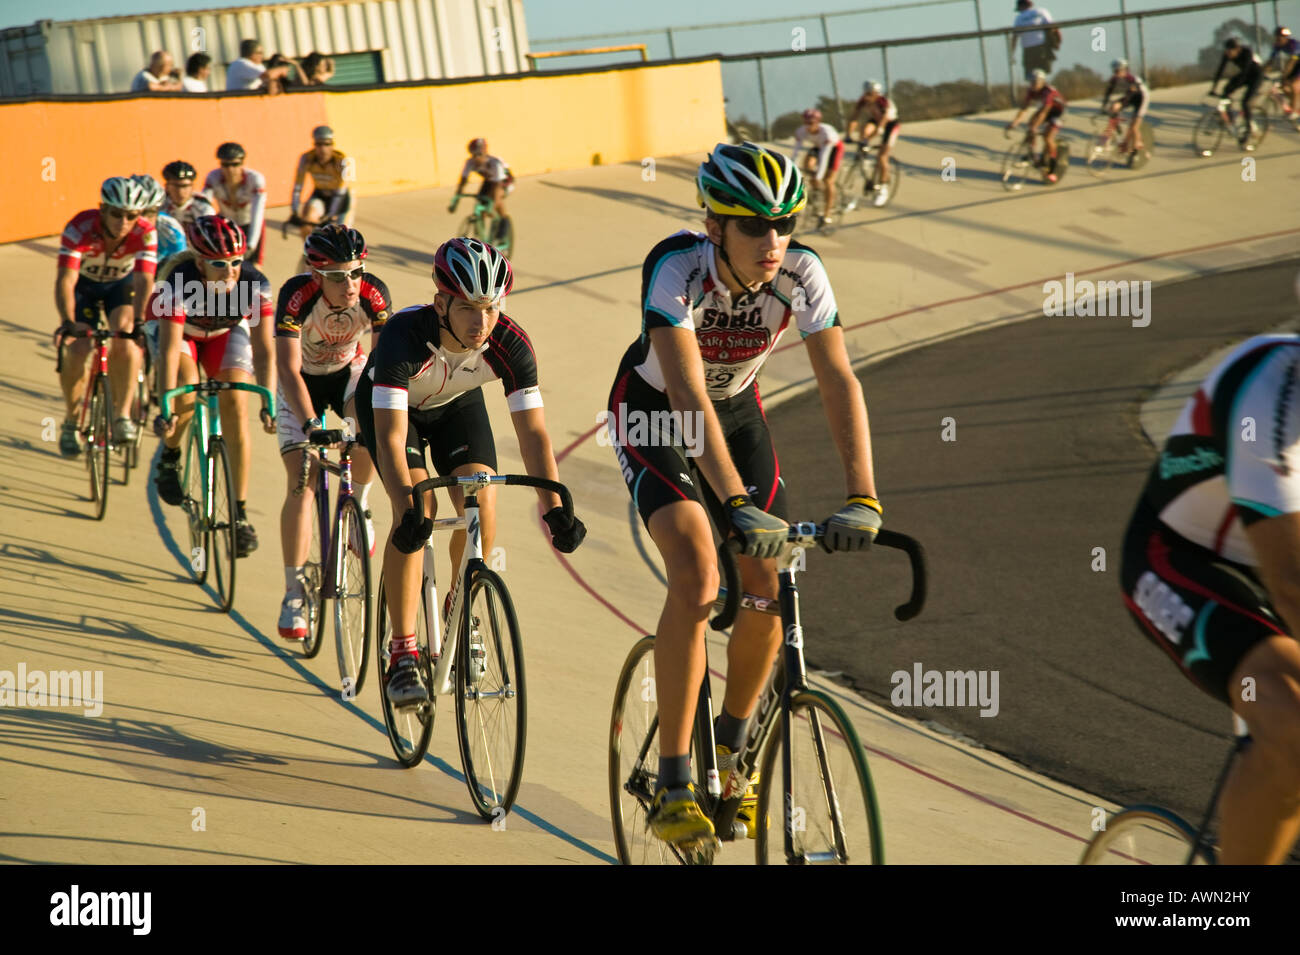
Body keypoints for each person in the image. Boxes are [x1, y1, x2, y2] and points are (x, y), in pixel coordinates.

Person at [605, 143, 883, 851]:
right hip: (657, 412)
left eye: (784, 222)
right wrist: (733, 502)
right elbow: (686, 392)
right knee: (699, 575)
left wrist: (864, 496)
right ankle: (672, 776)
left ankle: (730, 745)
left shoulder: (801, 271)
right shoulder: (676, 268)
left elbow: (838, 380)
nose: (773, 241)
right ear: (714, 224)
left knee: (769, 578)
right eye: (754, 226)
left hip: (736, 414)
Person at [354, 237, 586, 707]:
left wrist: (555, 507)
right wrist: (406, 508)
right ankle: (402, 650)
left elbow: (534, 435)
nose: (482, 323)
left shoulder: (509, 343)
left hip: (457, 409)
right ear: (441, 303)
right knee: (419, 510)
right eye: (467, 309)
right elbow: (392, 439)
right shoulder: (403, 337)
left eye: (491, 308)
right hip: (397, 418)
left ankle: (460, 611)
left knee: (482, 497)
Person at [1119, 332, 1300, 864]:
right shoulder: (1267, 387)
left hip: (1276, 565)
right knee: (1292, 720)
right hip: (1183, 560)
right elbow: (1289, 581)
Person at [273, 225, 391, 639]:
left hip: (346, 374)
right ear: (316, 274)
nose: (351, 285)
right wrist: (309, 426)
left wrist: (363, 427)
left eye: (357, 273)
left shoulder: (374, 295)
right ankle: (293, 594)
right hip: (300, 383)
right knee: (301, 482)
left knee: (371, 420)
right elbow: (287, 369)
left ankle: (359, 503)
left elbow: (380, 369)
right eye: (339, 277)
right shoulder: (296, 296)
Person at [149, 216, 277, 558]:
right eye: (220, 264)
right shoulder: (176, 281)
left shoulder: (255, 284)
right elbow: (169, 350)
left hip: (223, 332)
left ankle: (239, 514)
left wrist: (269, 401)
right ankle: (171, 455)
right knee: (186, 385)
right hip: (181, 335)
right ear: (199, 262)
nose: (231, 271)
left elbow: (265, 350)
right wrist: (166, 408)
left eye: (236, 262)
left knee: (236, 400)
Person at [54, 177, 157, 455]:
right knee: (77, 349)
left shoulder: (146, 233)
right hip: (84, 287)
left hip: (119, 287)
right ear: (102, 209)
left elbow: (144, 280)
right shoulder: (80, 228)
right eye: (116, 214)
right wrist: (67, 321)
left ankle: (122, 416)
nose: (123, 222)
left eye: (131, 216)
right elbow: (66, 279)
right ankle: (72, 422)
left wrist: (139, 322)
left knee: (126, 336)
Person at [291, 126, 353, 271]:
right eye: (319, 144)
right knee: (307, 221)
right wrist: (294, 212)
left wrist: (330, 216)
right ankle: (310, 251)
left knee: (342, 236)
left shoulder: (342, 161)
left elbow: (340, 193)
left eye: (327, 144)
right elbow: (298, 187)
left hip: (340, 198)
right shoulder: (307, 158)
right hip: (320, 194)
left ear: (332, 145)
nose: (322, 149)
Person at [203, 143, 268, 267]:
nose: (230, 169)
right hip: (226, 225)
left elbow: (257, 212)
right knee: (224, 266)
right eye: (225, 165)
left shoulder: (255, 179)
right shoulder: (213, 177)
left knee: (254, 269)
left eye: (235, 164)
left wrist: (251, 243)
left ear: (243, 164)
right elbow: (204, 206)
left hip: (249, 224)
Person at [1006, 68, 1067, 182]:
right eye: (1031, 82)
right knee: (1031, 124)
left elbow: (1044, 112)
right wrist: (1014, 123)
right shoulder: (1031, 90)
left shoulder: (1048, 92)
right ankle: (1031, 154)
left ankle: (1053, 167)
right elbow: (1024, 108)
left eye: (1035, 82)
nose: (1032, 84)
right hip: (1046, 111)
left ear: (1042, 82)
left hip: (1058, 112)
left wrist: (1036, 126)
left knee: (1048, 137)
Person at [449, 139, 514, 244]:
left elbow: (498, 186)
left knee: (496, 200)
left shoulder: (495, 163)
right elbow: (463, 180)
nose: (476, 158)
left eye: (478, 154)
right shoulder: (470, 162)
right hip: (489, 181)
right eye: (473, 155)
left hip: (503, 180)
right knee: (481, 204)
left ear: (485, 152)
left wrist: (493, 206)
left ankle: (504, 221)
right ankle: (483, 235)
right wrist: (456, 199)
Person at [845, 80, 901, 197]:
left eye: (870, 94)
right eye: (866, 93)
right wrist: (848, 135)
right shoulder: (863, 101)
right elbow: (854, 118)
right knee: (864, 131)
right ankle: (862, 155)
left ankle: (883, 186)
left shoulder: (882, 101)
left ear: (876, 93)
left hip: (890, 124)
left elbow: (885, 117)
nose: (867, 97)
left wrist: (879, 130)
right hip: (875, 121)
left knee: (882, 156)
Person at [790, 109, 843, 228]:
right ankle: (816, 191)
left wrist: (818, 176)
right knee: (808, 164)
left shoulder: (826, 133)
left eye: (812, 123)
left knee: (828, 181)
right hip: (819, 147)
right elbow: (796, 153)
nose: (809, 126)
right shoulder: (801, 132)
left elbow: (824, 158)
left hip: (834, 148)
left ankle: (827, 214)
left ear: (818, 122)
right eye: (807, 123)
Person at [1211, 38, 1265, 148]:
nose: (1228, 54)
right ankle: (1231, 120)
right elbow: (1220, 71)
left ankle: (1248, 129)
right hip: (1244, 76)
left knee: (1245, 103)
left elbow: (1245, 72)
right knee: (1226, 90)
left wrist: (1234, 87)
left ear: (1237, 50)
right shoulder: (1227, 55)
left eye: (1230, 51)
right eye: (1227, 51)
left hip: (1256, 76)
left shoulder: (1246, 52)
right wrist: (1213, 88)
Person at [1101, 58, 1149, 156]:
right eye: (1115, 71)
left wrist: (1121, 104)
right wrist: (1104, 105)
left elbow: (1130, 94)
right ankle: (1120, 137)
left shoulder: (1132, 79)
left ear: (1125, 70)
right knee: (1113, 108)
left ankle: (1138, 148)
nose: (1117, 73)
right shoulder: (1114, 79)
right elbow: (1108, 92)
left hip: (1142, 98)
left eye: (1119, 71)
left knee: (1134, 127)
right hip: (1131, 97)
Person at [160, 160, 217, 232]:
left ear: (192, 187)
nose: (180, 191)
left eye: (185, 186)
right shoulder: (159, 206)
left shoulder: (203, 208)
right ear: (167, 186)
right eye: (176, 186)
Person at [1011, 0, 1056, 81]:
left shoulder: (1019, 18)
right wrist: (1054, 42)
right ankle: (1045, 90)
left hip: (1028, 50)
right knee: (1044, 73)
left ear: (1021, 6)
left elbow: (1015, 37)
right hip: (1042, 47)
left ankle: (1035, 91)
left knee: (1030, 75)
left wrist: (1012, 53)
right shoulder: (1042, 11)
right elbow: (1053, 28)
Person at [226, 39, 290, 91]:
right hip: (239, 100)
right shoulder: (241, 64)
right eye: (259, 53)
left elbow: (268, 81)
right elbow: (267, 75)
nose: (262, 56)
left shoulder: (259, 65)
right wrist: (282, 70)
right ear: (250, 53)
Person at [1267, 26, 1300, 117]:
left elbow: (1291, 63)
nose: (1279, 40)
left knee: (1293, 85)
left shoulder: (1294, 45)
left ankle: (1294, 110)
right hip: (1296, 65)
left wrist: (1285, 75)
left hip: (1296, 64)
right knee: (1284, 87)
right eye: (1278, 37)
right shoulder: (1277, 46)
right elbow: (1270, 61)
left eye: (1282, 37)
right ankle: (1297, 103)